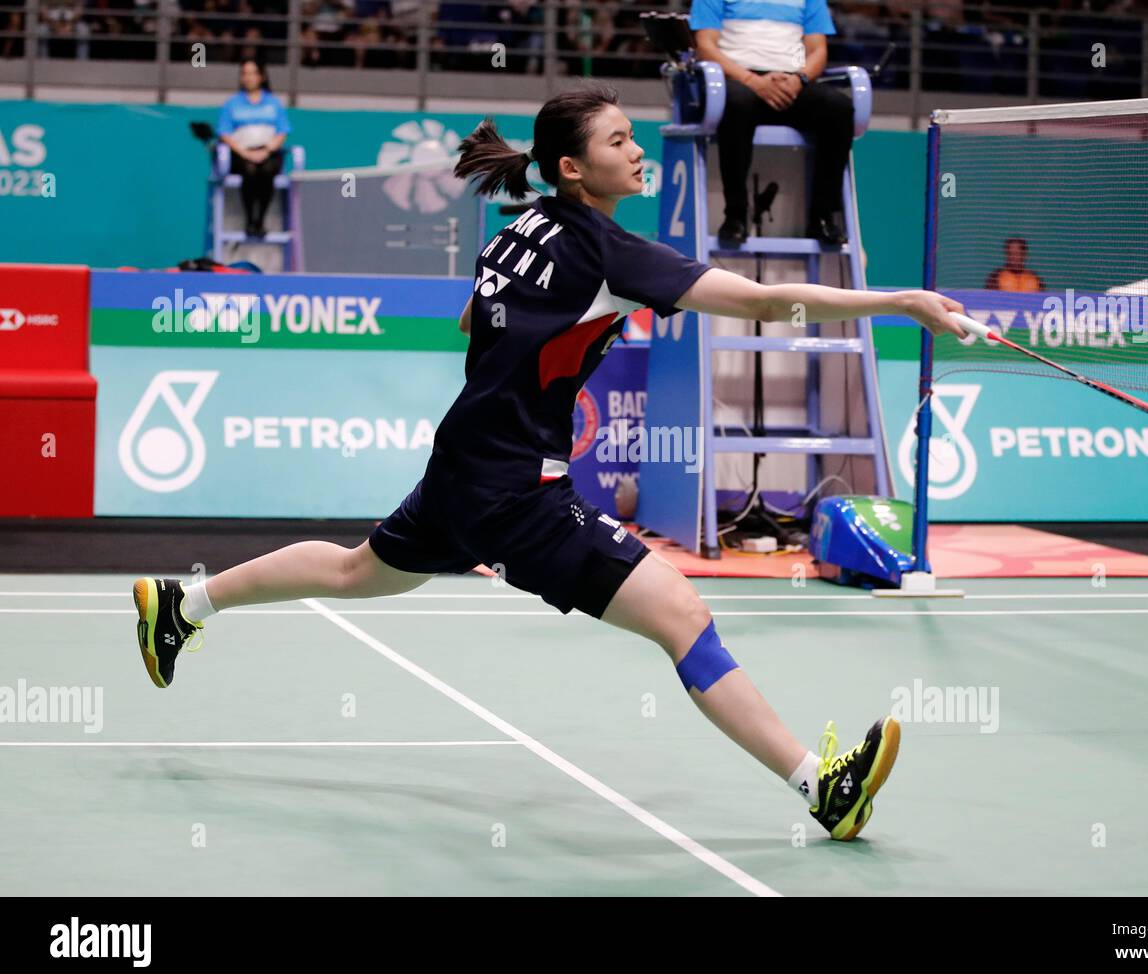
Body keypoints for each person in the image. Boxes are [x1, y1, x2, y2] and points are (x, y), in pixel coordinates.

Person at [133, 82, 970, 842]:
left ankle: (185, 602)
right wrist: (900, 301)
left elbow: (472, 323)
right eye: (616, 142)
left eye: (631, 136)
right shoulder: (610, 251)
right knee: (682, 618)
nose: (636, 149)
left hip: (464, 458)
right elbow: (759, 300)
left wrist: (564, 342)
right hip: (518, 491)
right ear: (573, 167)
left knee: (360, 571)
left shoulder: (518, 227)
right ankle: (821, 789)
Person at [689, 0, 855, 248]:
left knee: (839, 109)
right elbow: (705, 46)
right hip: (738, 81)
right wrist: (752, 81)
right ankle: (735, 216)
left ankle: (822, 217)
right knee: (736, 104)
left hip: (791, 83)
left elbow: (818, 51)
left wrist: (798, 80)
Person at [216, 59, 291, 238]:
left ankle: (260, 221)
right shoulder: (232, 103)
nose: (249, 78)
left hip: (268, 153)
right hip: (242, 154)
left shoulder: (273, 103)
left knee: (267, 170)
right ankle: (249, 220)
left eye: (253, 73)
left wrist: (266, 151)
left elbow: (282, 132)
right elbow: (224, 133)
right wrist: (245, 153)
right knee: (249, 171)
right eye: (245, 74)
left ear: (262, 77)